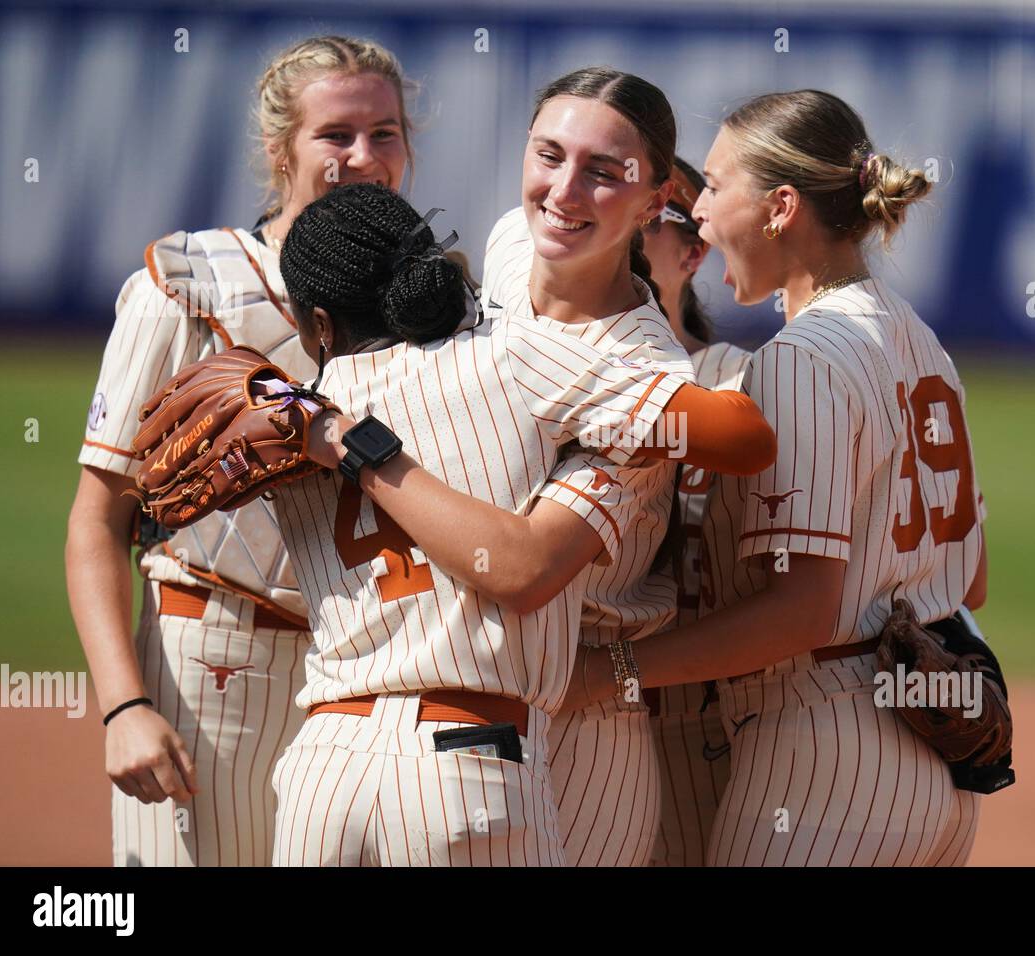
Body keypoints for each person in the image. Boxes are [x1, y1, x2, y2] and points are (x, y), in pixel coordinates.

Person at [267, 182, 775, 866]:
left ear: (319, 326)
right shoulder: (517, 358)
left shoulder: (285, 419)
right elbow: (743, 438)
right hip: (464, 761)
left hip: (321, 774)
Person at [563, 89, 989, 867]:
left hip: (824, 758)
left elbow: (800, 614)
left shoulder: (801, 357)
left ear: (781, 207)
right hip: (935, 757)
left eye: (717, 188)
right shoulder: (922, 340)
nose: (700, 215)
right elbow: (975, 579)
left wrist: (609, 672)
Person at [64, 34, 415, 866]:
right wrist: (123, 707)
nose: (364, 156)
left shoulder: (436, 304)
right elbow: (95, 525)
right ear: (277, 148)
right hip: (213, 662)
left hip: (369, 679)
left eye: (386, 133)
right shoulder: (190, 284)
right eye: (336, 135)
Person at [476, 69, 716, 866]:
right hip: (452, 699)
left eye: (604, 173)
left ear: (656, 201)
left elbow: (527, 566)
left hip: (583, 725)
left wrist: (355, 448)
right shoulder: (511, 242)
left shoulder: (648, 374)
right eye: (549, 155)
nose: (564, 190)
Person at [638, 156, 751, 867]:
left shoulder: (738, 381)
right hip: (563, 729)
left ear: (692, 250)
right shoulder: (526, 370)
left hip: (699, 726)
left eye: (647, 222)